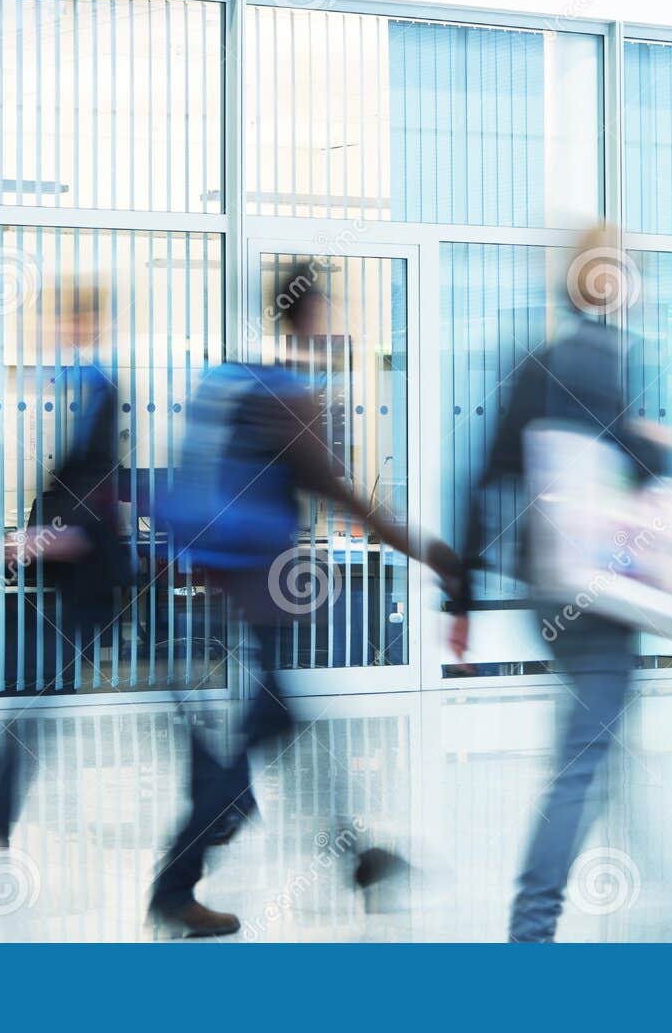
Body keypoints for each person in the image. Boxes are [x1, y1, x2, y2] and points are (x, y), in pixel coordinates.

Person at [147, 265, 457, 938]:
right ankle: (174, 888)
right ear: (307, 312)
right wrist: (435, 554)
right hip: (246, 606)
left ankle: (357, 856)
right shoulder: (287, 399)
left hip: (221, 598)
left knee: (285, 734)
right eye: (329, 305)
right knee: (236, 768)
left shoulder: (240, 384)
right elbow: (344, 497)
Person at [447, 223, 665, 943]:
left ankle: (667, 893)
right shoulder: (616, 360)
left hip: (548, 583)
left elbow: (483, 477)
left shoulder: (535, 360)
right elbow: (634, 473)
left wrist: (463, 600)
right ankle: (531, 929)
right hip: (602, 586)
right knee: (582, 758)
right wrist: (657, 449)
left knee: (599, 738)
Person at [0, 282, 131, 847]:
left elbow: (94, 483)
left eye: (66, 319)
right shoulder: (79, 386)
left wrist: (52, 535)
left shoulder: (99, 386)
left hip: (89, 565)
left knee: (43, 685)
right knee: (38, 685)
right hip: (79, 562)